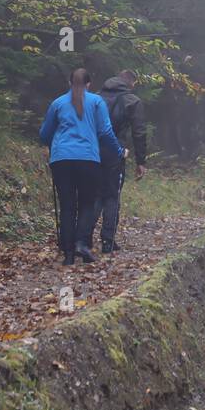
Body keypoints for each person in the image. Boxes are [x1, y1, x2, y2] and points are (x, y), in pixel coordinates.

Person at [40, 68, 124, 265]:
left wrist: (57, 142)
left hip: (61, 160)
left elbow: (44, 134)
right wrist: (119, 152)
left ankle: (68, 254)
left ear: (70, 83)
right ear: (89, 84)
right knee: (87, 203)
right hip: (88, 159)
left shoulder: (58, 103)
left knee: (67, 206)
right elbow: (105, 131)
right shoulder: (96, 102)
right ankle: (81, 243)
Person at [97, 69, 148, 253]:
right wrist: (141, 161)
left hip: (91, 150)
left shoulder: (95, 97)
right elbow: (139, 132)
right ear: (131, 82)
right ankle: (107, 241)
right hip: (115, 151)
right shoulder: (132, 101)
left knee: (94, 194)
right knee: (112, 195)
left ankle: (84, 239)